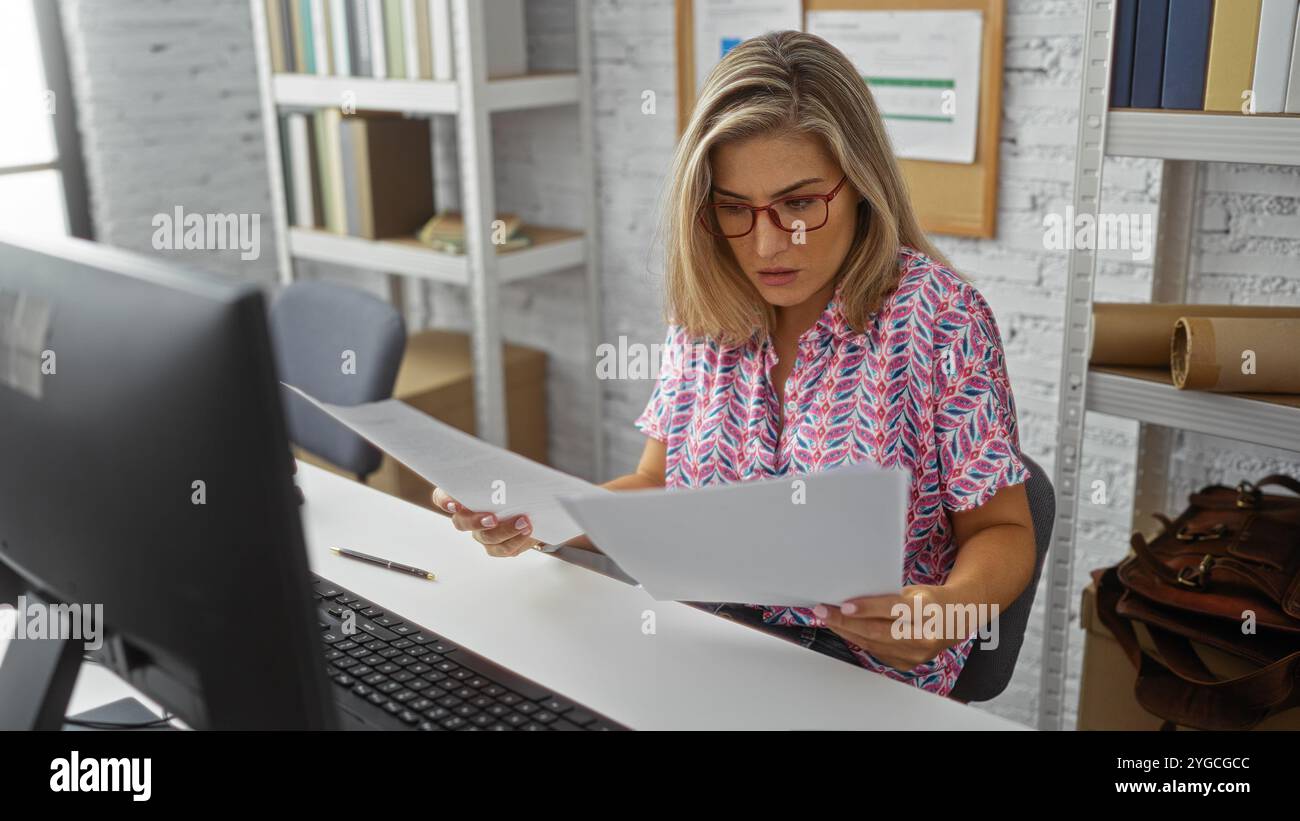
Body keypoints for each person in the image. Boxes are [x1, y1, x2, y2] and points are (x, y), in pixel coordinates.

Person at [429, 30, 1035, 699]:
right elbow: (657, 485)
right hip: (703, 640)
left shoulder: (941, 317)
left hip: (864, 672)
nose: (769, 244)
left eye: (800, 204)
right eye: (734, 209)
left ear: (861, 183)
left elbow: (1003, 530)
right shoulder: (708, 304)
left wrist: (947, 611)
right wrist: (538, 519)